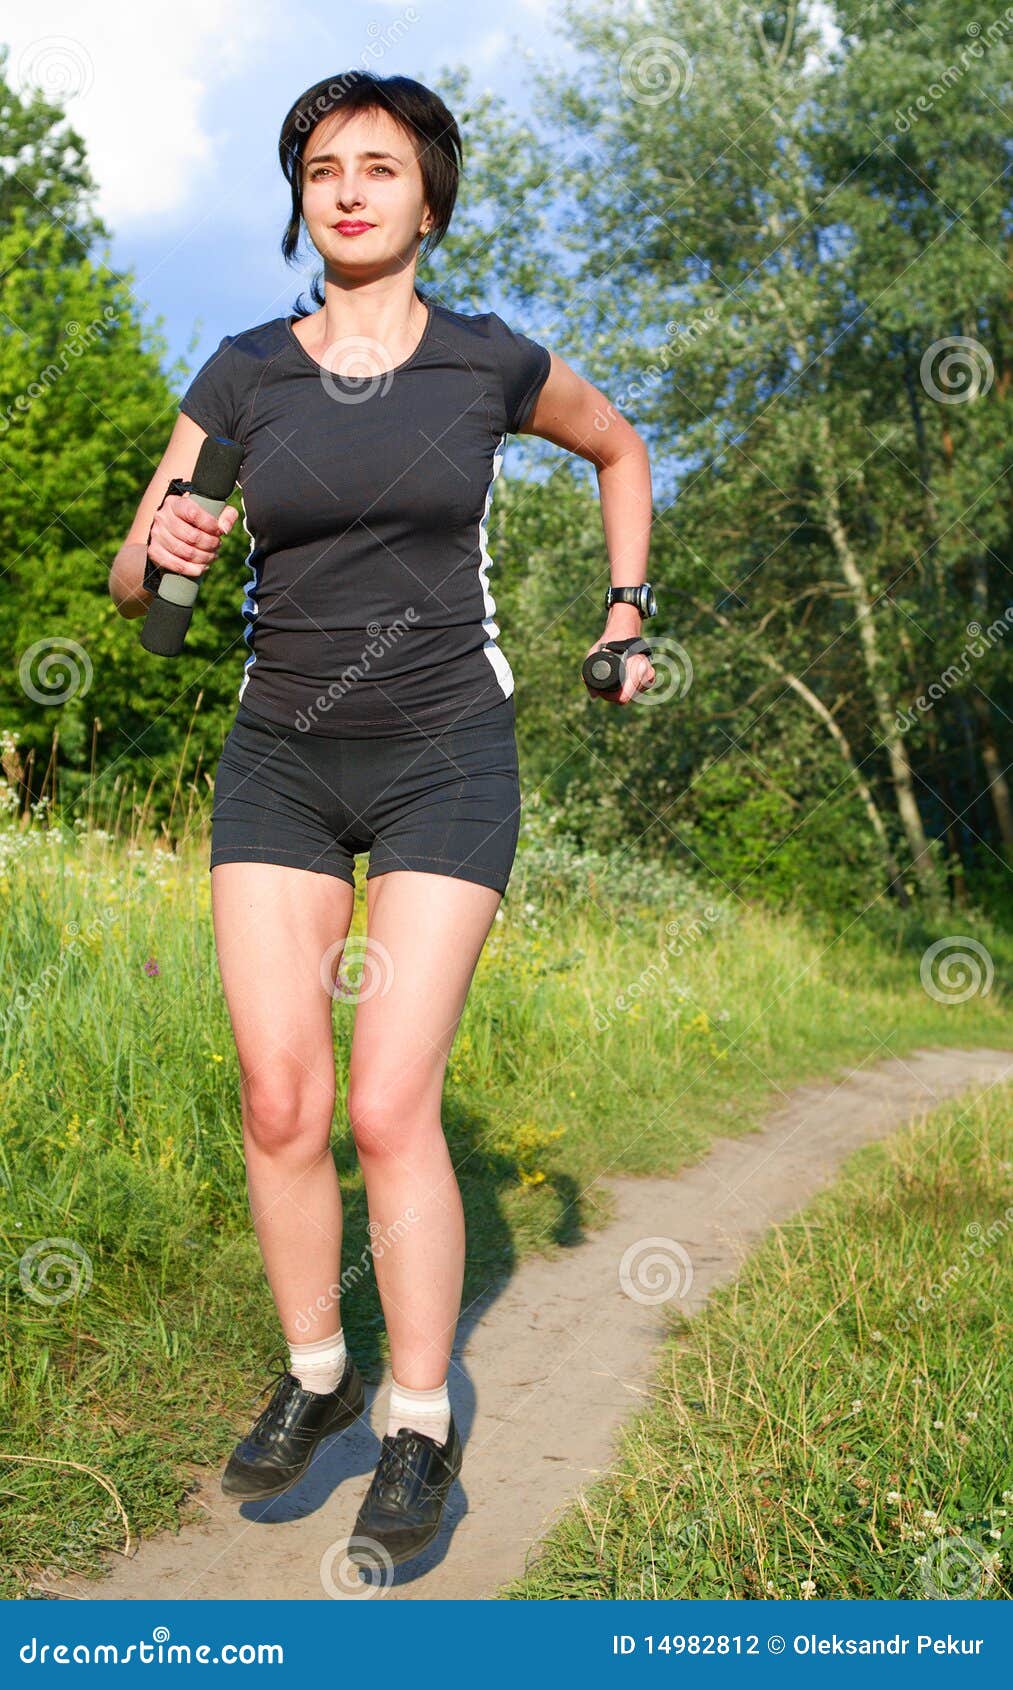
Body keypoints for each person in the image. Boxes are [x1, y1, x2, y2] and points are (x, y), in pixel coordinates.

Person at [108, 70, 656, 1573]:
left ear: (428, 199)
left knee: (381, 1103)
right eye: (323, 167)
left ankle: (420, 1424)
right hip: (278, 758)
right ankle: (316, 1376)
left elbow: (618, 446)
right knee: (280, 1097)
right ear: (299, 198)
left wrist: (623, 607)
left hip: (441, 757)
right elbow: (139, 591)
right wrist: (158, 546)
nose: (348, 188)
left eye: (381, 167)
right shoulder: (241, 375)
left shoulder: (486, 365)